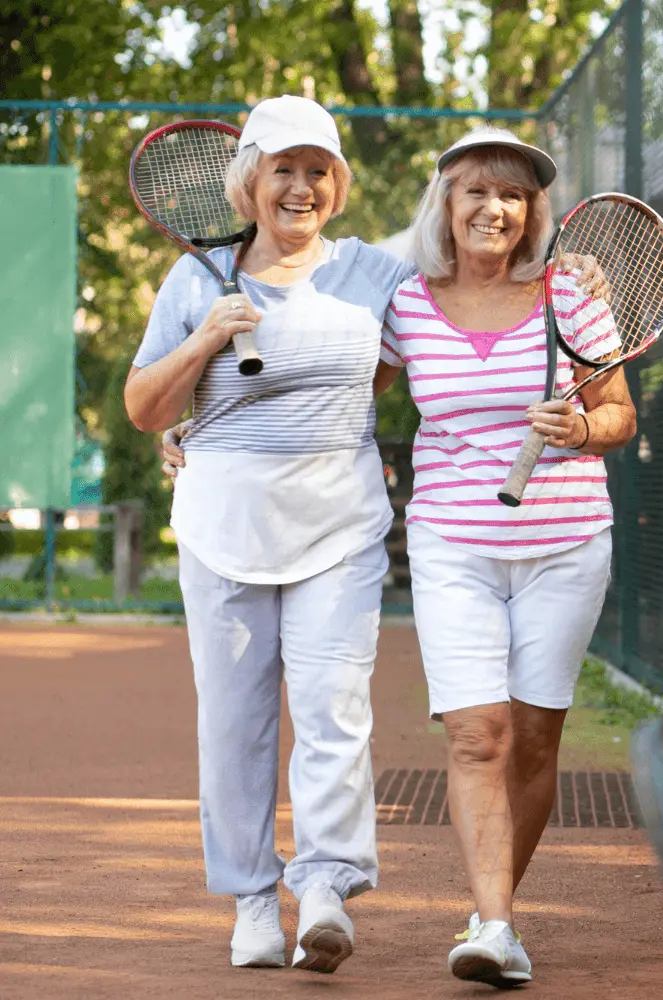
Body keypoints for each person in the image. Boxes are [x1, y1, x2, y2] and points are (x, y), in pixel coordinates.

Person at [126, 95, 415, 974]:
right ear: (249, 181)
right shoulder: (196, 280)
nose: (301, 187)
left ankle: (324, 888)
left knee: (334, 711)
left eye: (318, 170)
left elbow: (427, 337)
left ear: (338, 183)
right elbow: (145, 409)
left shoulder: (374, 272)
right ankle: (253, 897)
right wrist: (203, 345)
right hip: (223, 527)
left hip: (340, 526)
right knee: (234, 725)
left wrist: (575, 277)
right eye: (283, 169)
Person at [375, 128, 636, 987]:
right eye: (478, 191)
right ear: (446, 204)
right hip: (452, 545)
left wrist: (581, 428)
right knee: (476, 734)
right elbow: (335, 383)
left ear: (533, 213)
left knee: (532, 737)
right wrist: (202, 427)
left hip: (566, 544)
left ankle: (495, 914)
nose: (496, 208)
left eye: (514, 195)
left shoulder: (573, 295)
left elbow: (620, 415)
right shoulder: (405, 305)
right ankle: (494, 925)